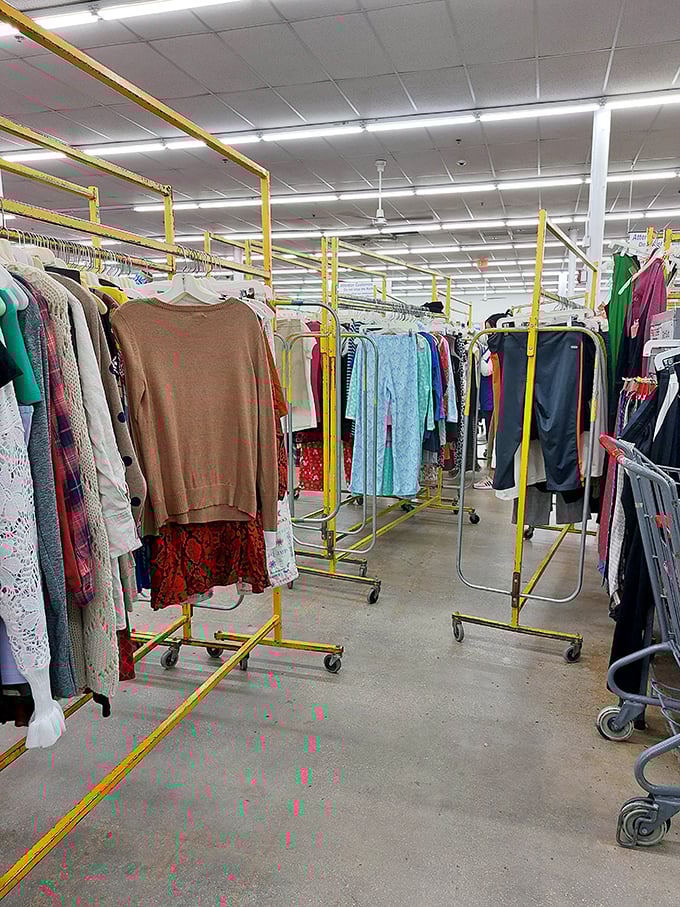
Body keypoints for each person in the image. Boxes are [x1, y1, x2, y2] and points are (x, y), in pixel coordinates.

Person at [474, 312, 509, 490]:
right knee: (491, 436)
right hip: (489, 398)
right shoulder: (491, 347)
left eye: (490, 329)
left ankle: (493, 475)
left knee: (494, 437)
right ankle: (491, 473)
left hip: (495, 398)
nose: (488, 333)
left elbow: (487, 370)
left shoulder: (499, 347)